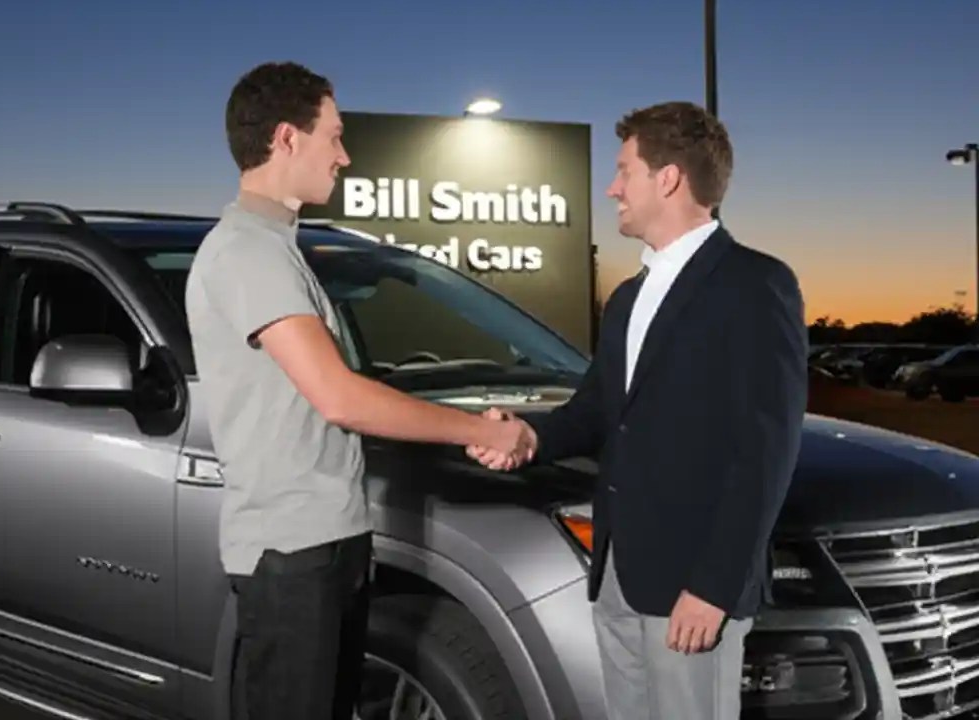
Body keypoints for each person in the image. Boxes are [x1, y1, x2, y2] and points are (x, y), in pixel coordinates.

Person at [184, 61, 536, 720]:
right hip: (292, 554)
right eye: (334, 136)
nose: (344, 156)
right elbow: (339, 396)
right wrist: (484, 431)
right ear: (288, 138)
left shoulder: (277, 248)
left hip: (326, 542)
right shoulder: (247, 253)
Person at [469, 101, 808, 719]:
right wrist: (527, 436)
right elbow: (598, 413)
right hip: (619, 576)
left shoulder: (756, 285)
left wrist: (714, 586)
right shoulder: (628, 299)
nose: (613, 186)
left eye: (625, 170)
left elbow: (767, 451)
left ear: (669, 178)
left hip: (691, 587)